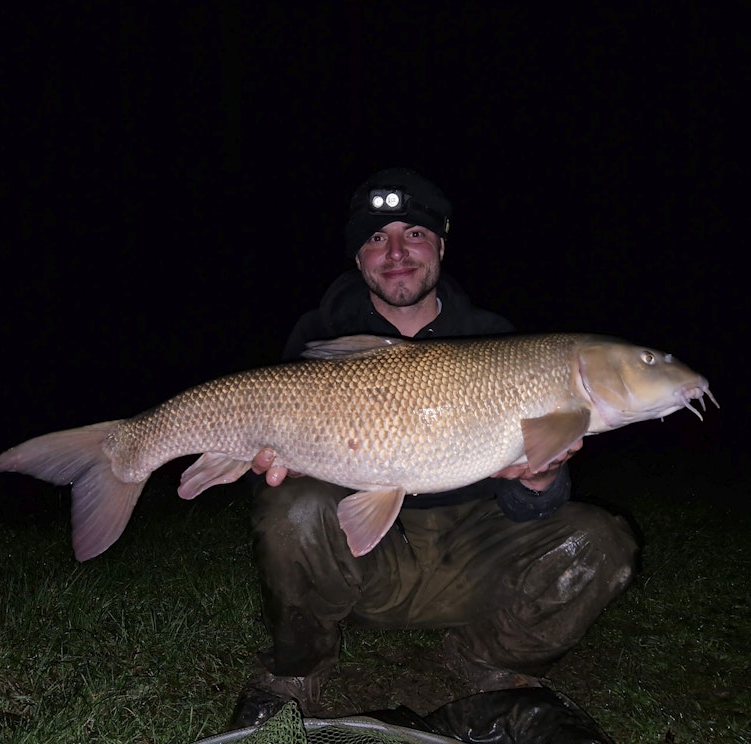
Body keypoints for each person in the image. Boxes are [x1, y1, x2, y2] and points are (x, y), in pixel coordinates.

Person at [229, 168, 639, 729]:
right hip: (367, 559)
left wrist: (540, 479)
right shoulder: (319, 334)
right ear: (357, 259)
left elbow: (526, 507)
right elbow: (272, 476)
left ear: (440, 246)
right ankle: (298, 666)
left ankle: (490, 655)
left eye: (414, 234)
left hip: (471, 551)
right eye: (376, 239)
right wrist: (269, 467)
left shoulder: (495, 337)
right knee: (289, 508)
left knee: (601, 540)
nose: (396, 252)